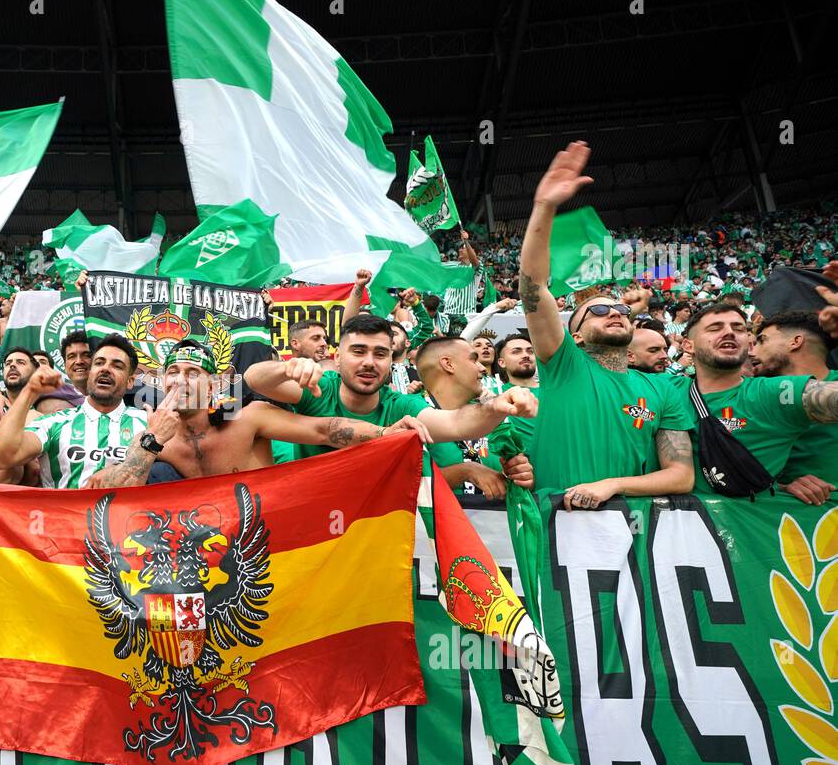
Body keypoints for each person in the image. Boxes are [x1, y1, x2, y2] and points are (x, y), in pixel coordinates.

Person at [517, 141, 695, 509]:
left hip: (633, 533)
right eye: (597, 311)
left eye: (620, 309)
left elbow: (680, 475)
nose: (614, 312)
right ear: (575, 334)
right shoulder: (564, 364)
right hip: (556, 525)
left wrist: (610, 485)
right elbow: (532, 286)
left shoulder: (662, 388)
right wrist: (545, 206)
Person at [83, 340, 433, 487]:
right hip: (196, 553)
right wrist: (152, 440)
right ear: (161, 380)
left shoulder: (248, 418)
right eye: (174, 372)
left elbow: (324, 430)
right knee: (155, 471)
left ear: (217, 385)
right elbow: (114, 488)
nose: (181, 380)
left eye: (194, 373)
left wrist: (385, 434)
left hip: (262, 543)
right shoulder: (152, 431)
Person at [244, 313, 538, 462]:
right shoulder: (321, 388)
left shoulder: (400, 405)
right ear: (338, 358)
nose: (369, 362)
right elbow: (254, 379)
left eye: (380, 354)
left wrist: (497, 405)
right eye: (358, 351)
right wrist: (286, 367)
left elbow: (457, 422)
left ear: (390, 361)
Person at [675, 302, 838, 496]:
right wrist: (780, 487)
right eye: (715, 328)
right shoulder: (665, 388)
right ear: (687, 345)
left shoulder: (771, 392)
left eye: (739, 328)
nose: (730, 333)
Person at [0, 334, 149, 489]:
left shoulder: (148, 423)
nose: (105, 369)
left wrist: (123, 468)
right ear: (89, 373)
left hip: (125, 518)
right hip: (63, 519)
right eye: (99, 363)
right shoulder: (53, 423)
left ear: (130, 381)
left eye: (117, 366)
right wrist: (30, 391)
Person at [415, 336, 535, 499]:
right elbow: (407, 484)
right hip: (438, 522)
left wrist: (522, 475)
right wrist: (466, 471)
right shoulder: (410, 414)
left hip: (493, 522)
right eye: (474, 360)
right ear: (448, 364)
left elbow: (523, 478)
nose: (483, 369)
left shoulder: (492, 413)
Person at [752, 310, 837, 503]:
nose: (752, 351)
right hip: (777, 520)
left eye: (762, 340)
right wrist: (782, 487)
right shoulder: (754, 394)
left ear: (795, 342)